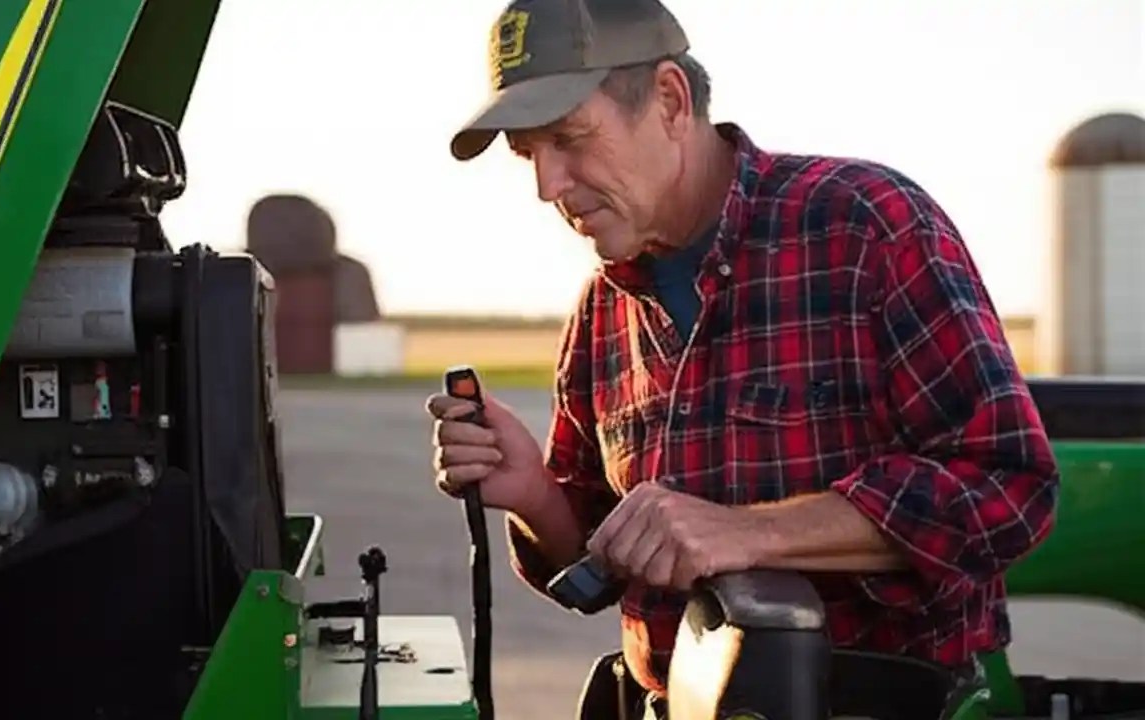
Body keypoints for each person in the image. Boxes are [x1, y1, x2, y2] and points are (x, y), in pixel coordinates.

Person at [425, 0, 1060, 716]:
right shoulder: (601, 311)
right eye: (526, 154)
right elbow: (598, 560)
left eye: (568, 138)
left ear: (670, 101)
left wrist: (751, 534)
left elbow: (1009, 488)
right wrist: (534, 495)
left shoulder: (866, 226)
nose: (547, 185)